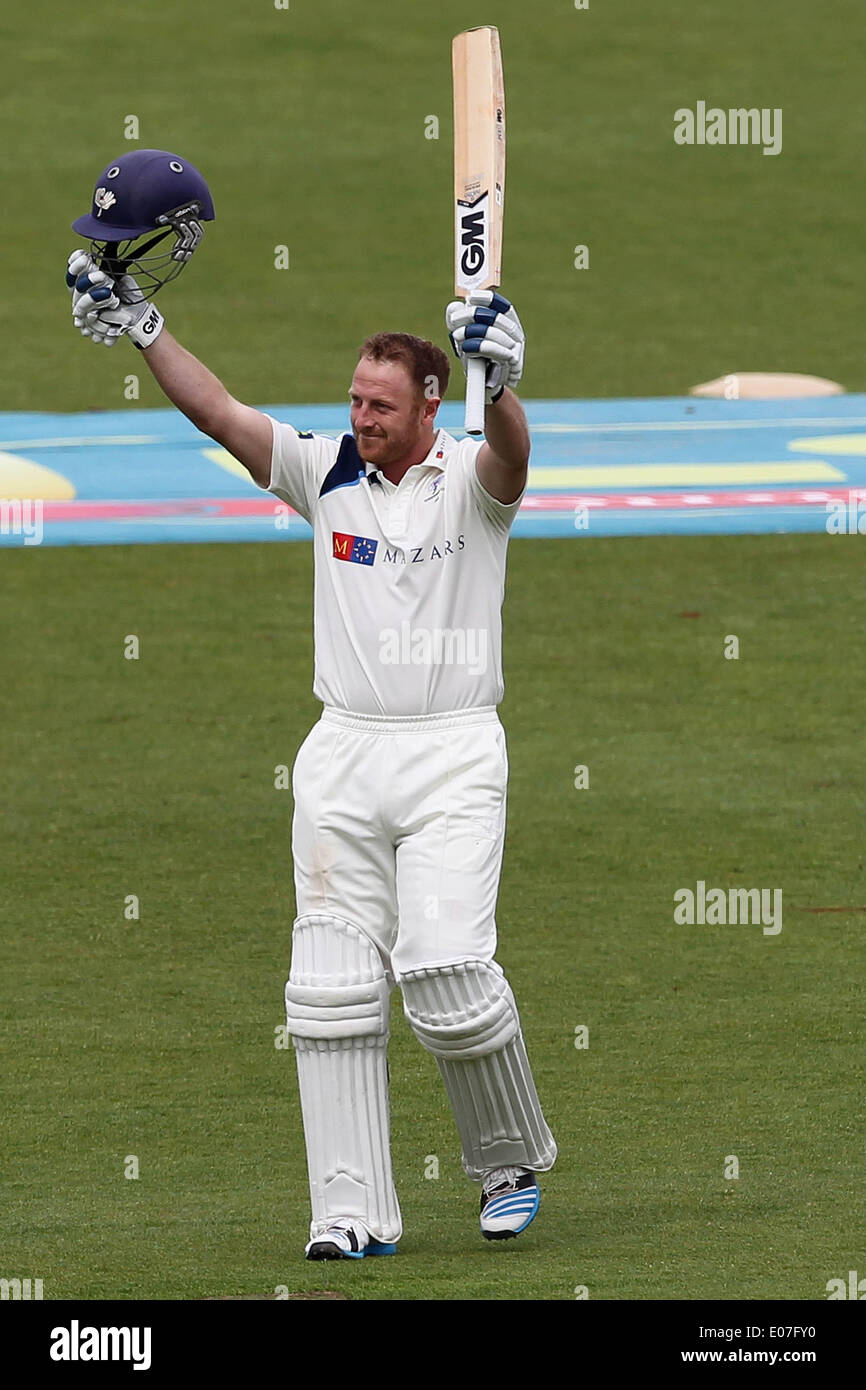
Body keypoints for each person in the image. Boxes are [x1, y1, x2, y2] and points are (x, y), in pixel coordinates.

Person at [67, 160, 557, 1259]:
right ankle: (349, 1210)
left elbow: (512, 457)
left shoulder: (471, 484)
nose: (361, 418)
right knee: (327, 989)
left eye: (379, 406)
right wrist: (145, 327)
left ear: (431, 403)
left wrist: (506, 379)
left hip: (451, 754)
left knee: (443, 970)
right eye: (353, 401)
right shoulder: (324, 470)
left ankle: (503, 1161)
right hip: (341, 752)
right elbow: (220, 412)